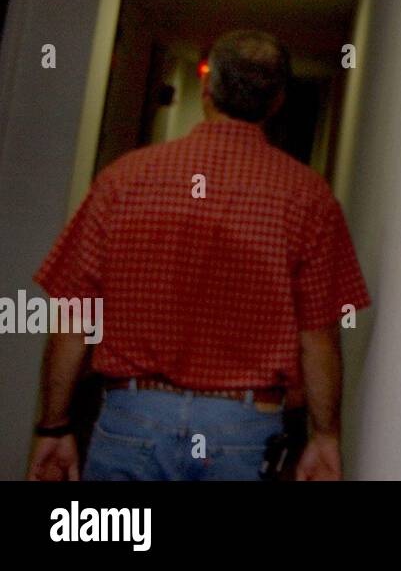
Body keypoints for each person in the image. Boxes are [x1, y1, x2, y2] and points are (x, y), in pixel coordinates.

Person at [26, 29, 370, 481]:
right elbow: (319, 336)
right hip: (244, 430)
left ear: (206, 87)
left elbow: (73, 316)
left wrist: (54, 424)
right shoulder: (308, 197)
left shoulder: (124, 179)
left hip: (132, 418)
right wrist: (325, 437)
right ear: (277, 101)